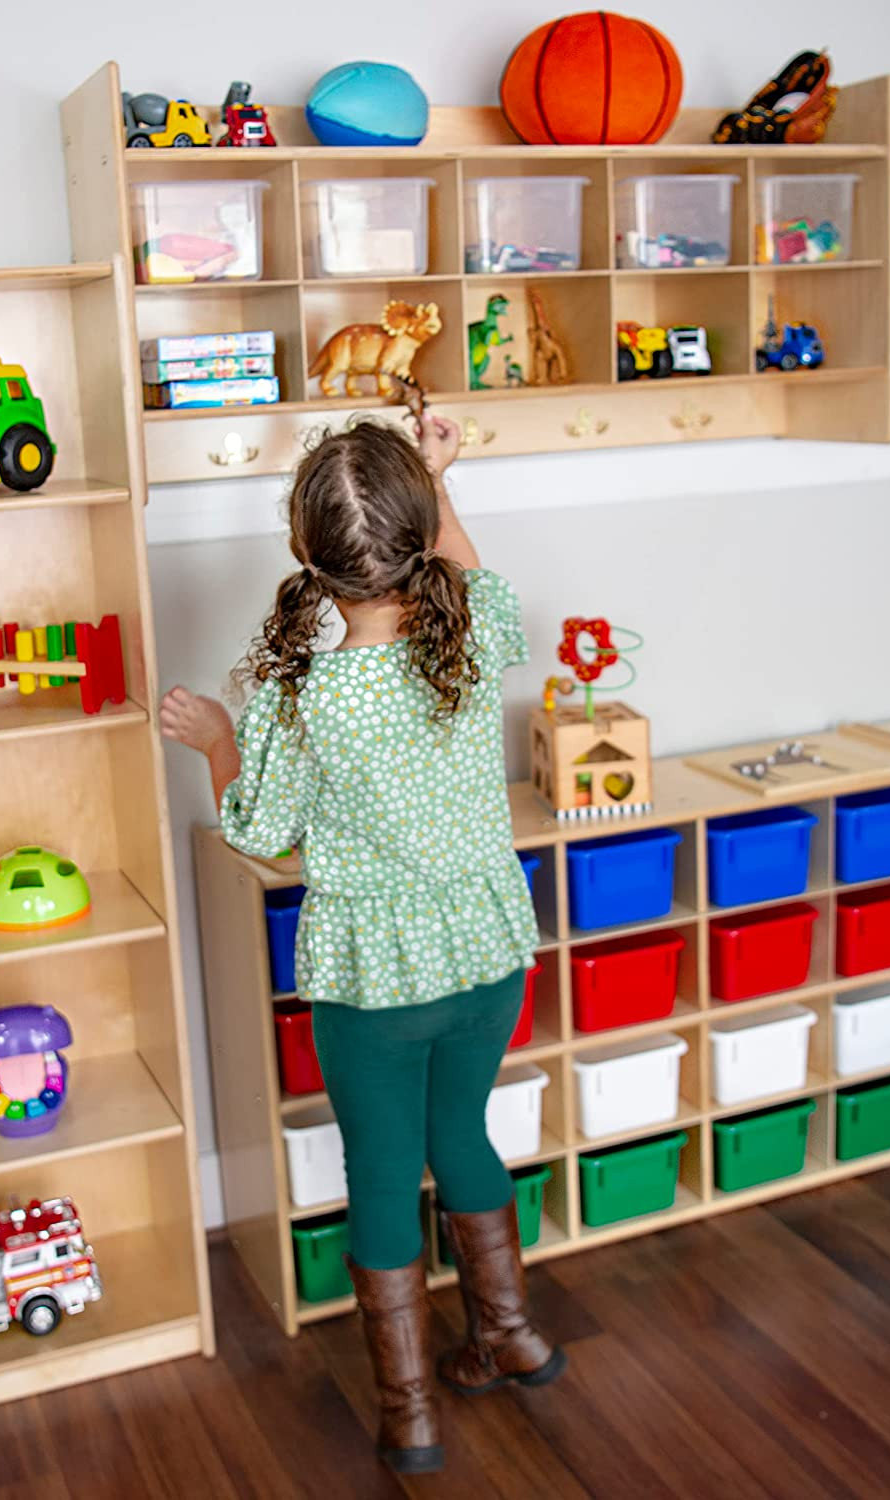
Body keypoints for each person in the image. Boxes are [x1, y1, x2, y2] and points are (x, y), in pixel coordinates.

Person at [160, 417, 564, 1476]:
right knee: (462, 1137)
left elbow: (255, 830)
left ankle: (411, 1409)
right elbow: (478, 573)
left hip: (373, 983)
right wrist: (439, 483)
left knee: (385, 1176)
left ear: (306, 553)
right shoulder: (471, 633)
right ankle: (511, 1334)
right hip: (484, 956)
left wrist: (216, 737)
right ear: (423, 529)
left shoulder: (306, 694)